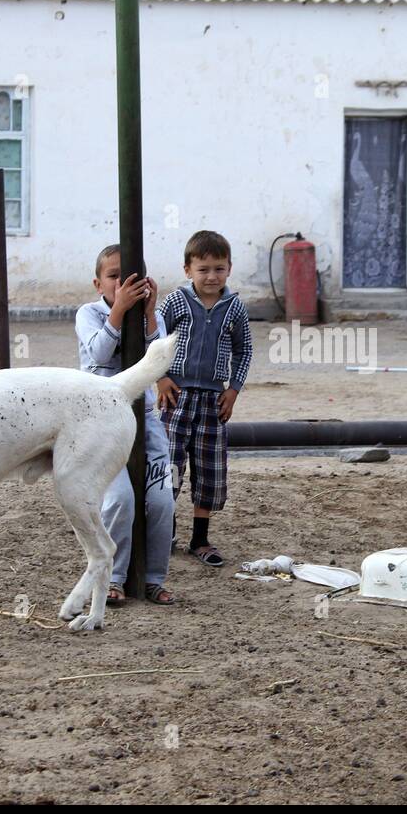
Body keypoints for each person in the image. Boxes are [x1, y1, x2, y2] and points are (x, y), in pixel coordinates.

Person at [74, 245, 175, 604]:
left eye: (130, 275)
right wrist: (118, 312)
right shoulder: (89, 313)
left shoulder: (153, 315)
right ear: (98, 283)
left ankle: (153, 578)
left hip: (144, 418)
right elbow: (99, 355)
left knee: (162, 501)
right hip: (101, 424)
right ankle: (113, 578)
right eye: (114, 276)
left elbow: (156, 361)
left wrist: (148, 315)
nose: (122, 282)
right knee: (119, 499)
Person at [156, 230, 253, 568]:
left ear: (229, 269)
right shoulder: (175, 302)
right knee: (169, 467)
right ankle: (163, 533)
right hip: (176, 398)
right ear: (188, 270)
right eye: (204, 269)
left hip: (214, 400)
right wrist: (161, 377)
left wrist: (233, 389)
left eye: (219, 269)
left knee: (209, 469)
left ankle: (200, 538)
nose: (212, 276)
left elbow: (244, 350)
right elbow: (152, 337)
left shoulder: (234, 307)